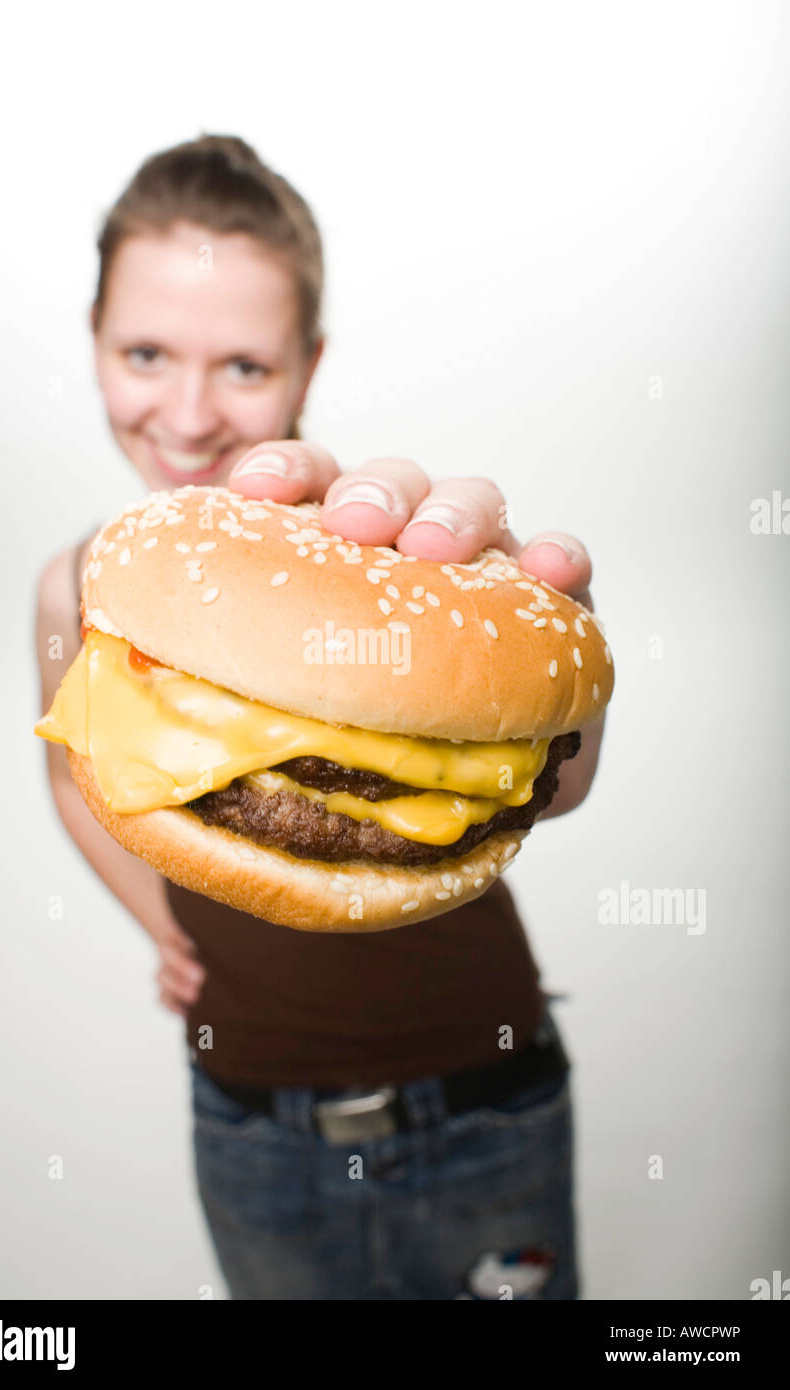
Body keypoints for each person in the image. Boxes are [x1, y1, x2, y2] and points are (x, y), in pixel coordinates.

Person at [35, 134, 607, 1300]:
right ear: (94, 341)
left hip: (481, 1096)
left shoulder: (388, 560)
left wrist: (546, 674)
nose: (188, 413)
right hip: (248, 1118)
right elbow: (73, 766)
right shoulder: (81, 581)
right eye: (146, 351)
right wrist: (170, 929)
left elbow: (557, 786)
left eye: (243, 365)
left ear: (308, 363)